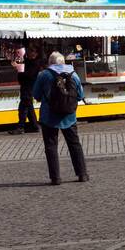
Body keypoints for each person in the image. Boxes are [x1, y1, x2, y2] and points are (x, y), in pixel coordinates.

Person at [32, 51, 89, 184]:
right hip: (69, 116)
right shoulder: (73, 74)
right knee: (74, 144)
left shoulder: (44, 75)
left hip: (49, 116)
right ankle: (82, 174)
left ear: (50, 63)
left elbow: (36, 95)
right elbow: (80, 95)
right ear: (64, 62)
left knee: (51, 146)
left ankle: (56, 177)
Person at [10, 43, 41, 135]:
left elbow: (29, 75)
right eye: (29, 51)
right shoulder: (27, 61)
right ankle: (34, 126)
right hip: (24, 85)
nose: (30, 53)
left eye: (32, 51)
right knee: (28, 106)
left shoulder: (36, 63)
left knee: (23, 106)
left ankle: (21, 126)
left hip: (29, 86)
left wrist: (19, 68)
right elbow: (21, 74)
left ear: (36, 53)